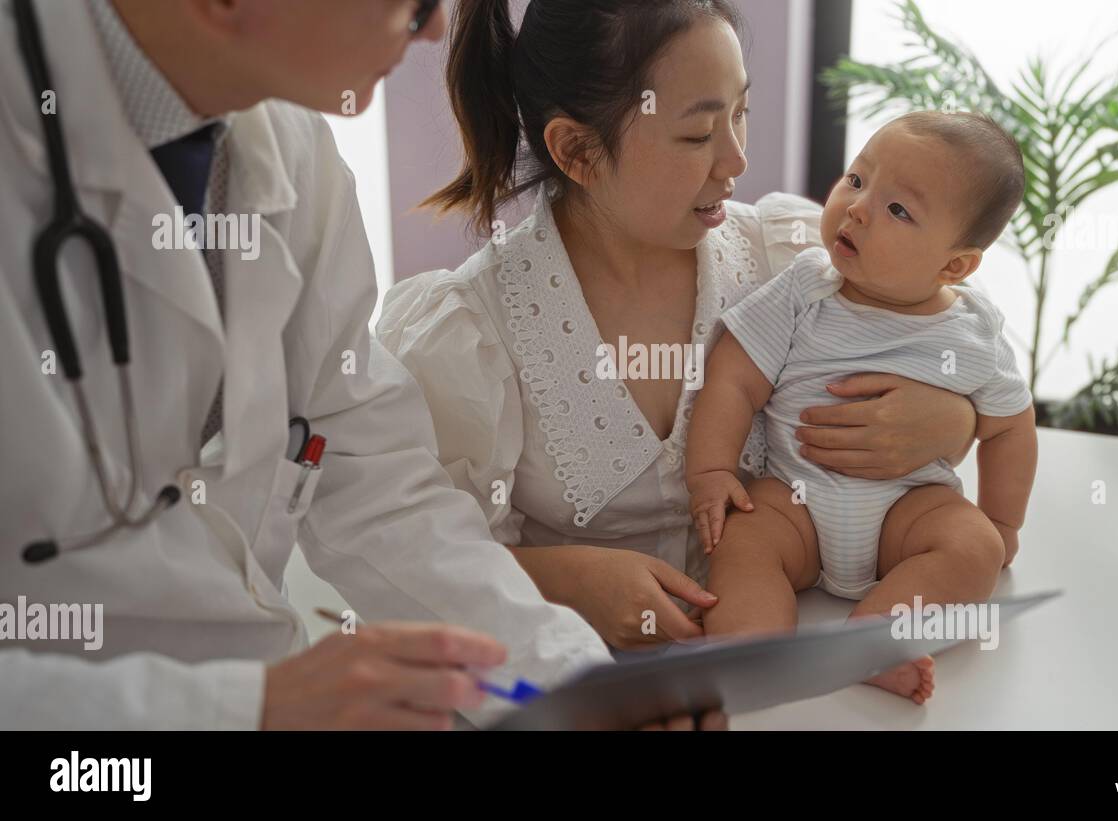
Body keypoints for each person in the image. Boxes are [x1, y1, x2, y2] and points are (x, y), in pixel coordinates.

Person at [0, 0, 646, 731]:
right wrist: (245, 710)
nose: (434, 29)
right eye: (416, 3)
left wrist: (570, 685)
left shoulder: (288, 151)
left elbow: (376, 485)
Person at [378, 0, 980, 654]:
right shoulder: (473, 331)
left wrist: (956, 419)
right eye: (698, 135)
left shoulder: (787, 259)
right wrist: (562, 579)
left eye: (741, 113)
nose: (737, 160)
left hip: (800, 665)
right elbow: (413, 560)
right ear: (576, 150)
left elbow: (955, 340)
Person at [685, 111, 1038, 704]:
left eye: (899, 210)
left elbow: (1011, 429)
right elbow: (735, 376)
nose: (858, 208)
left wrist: (1003, 524)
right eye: (856, 179)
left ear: (955, 264)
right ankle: (748, 644)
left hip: (908, 511)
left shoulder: (974, 330)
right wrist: (712, 470)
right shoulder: (806, 287)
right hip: (793, 498)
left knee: (973, 548)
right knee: (745, 541)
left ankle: (873, 642)